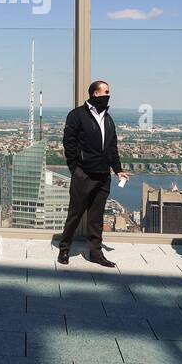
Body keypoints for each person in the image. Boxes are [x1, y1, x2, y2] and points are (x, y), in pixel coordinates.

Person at [59, 80, 129, 266]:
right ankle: (64, 249)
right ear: (95, 93)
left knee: (96, 218)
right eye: (106, 92)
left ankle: (96, 254)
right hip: (84, 175)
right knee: (75, 214)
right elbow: (69, 144)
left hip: (103, 176)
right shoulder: (76, 115)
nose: (108, 95)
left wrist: (118, 170)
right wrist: (75, 170)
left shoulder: (107, 118)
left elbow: (112, 147)